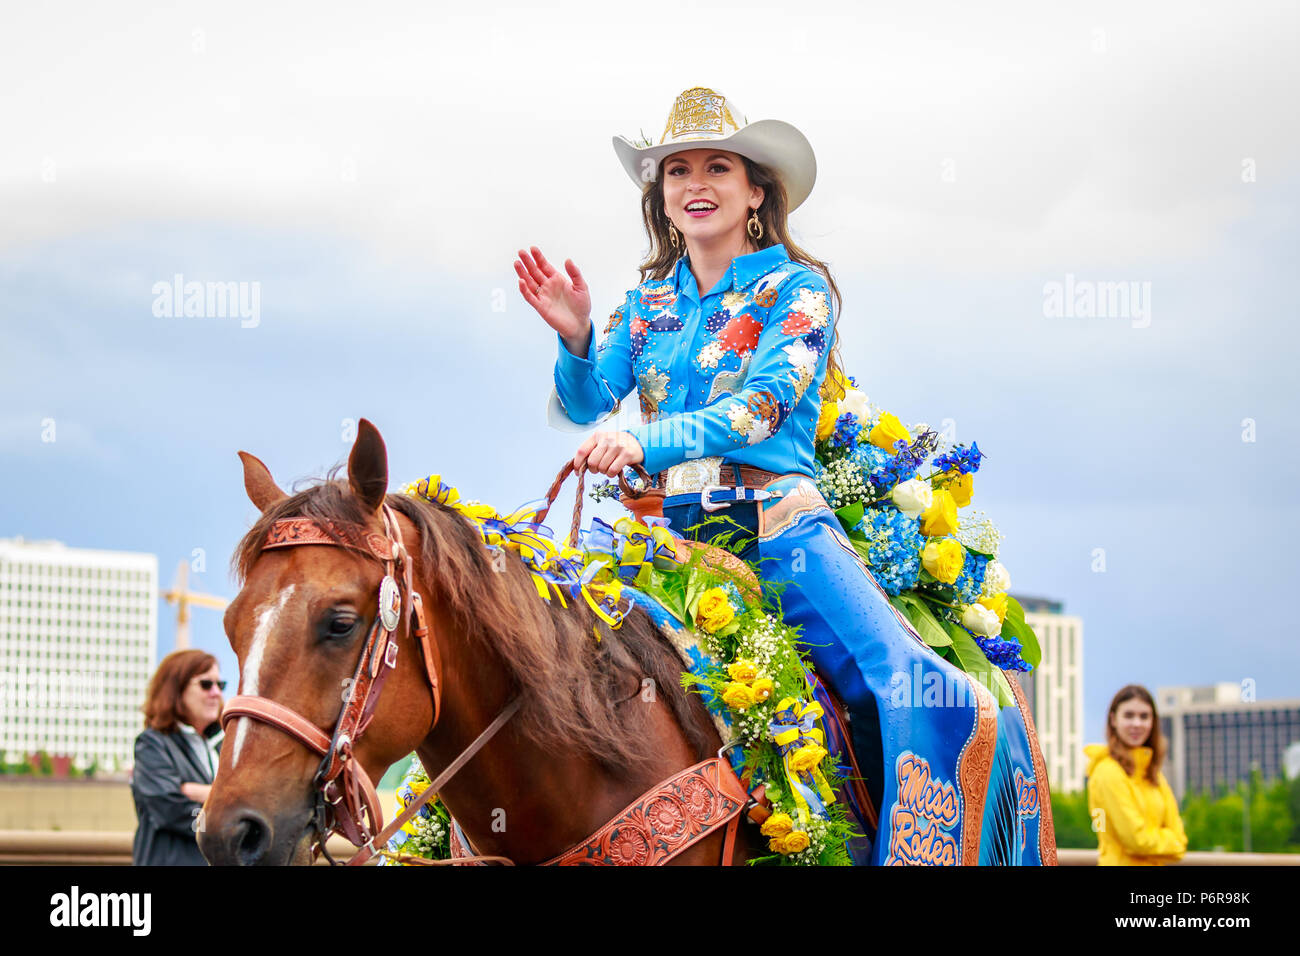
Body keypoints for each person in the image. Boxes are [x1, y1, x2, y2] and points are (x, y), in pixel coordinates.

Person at [516, 87, 1047, 865]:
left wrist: (642, 443)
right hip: (659, 543)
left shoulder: (796, 291)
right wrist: (574, 337)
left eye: (717, 168)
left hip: (776, 532)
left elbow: (762, 410)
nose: (694, 184)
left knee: (903, 682)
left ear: (757, 190)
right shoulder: (647, 302)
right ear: (660, 199)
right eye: (676, 172)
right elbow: (586, 401)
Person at [130, 649, 225, 865]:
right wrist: (224, 823)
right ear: (175, 689)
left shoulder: (223, 744)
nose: (216, 693)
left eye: (220, 685)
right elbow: (170, 812)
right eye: (205, 684)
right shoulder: (152, 744)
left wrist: (202, 793)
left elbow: (249, 798)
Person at [1084, 684, 1187, 866]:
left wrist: (1172, 841)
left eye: (1144, 716)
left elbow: (1180, 836)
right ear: (1113, 719)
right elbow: (1136, 840)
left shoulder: (1153, 773)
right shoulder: (1107, 772)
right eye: (1129, 715)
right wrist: (1171, 842)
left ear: (1153, 722)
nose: (1137, 723)